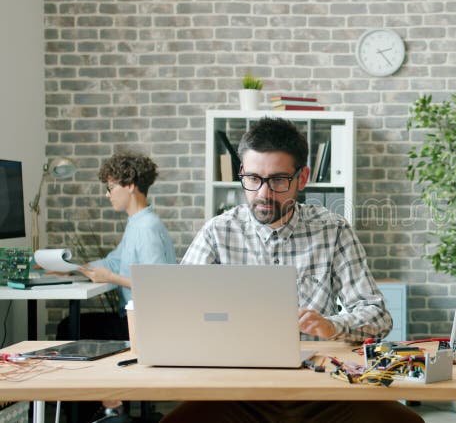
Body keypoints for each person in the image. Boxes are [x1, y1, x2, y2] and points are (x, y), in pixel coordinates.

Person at [162, 117, 422, 423]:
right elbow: (178, 315)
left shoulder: (332, 230)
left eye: (278, 180)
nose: (263, 193)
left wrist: (330, 326)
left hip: (320, 387)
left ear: (302, 178)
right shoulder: (218, 233)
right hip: (239, 390)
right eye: (253, 178)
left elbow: (377, 316)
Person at [55, 152, 176, 423]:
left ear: (129, 185)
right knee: (73, 328)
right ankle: (104, 407)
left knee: (71, 329)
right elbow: (115, 260)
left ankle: (95, 412)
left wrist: (110, 277)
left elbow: (157, 283)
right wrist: (71, 267)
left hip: (149, 324)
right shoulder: (138, 222)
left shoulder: (146, 228)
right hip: (137, 319)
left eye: (111, 188)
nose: (108, 195)